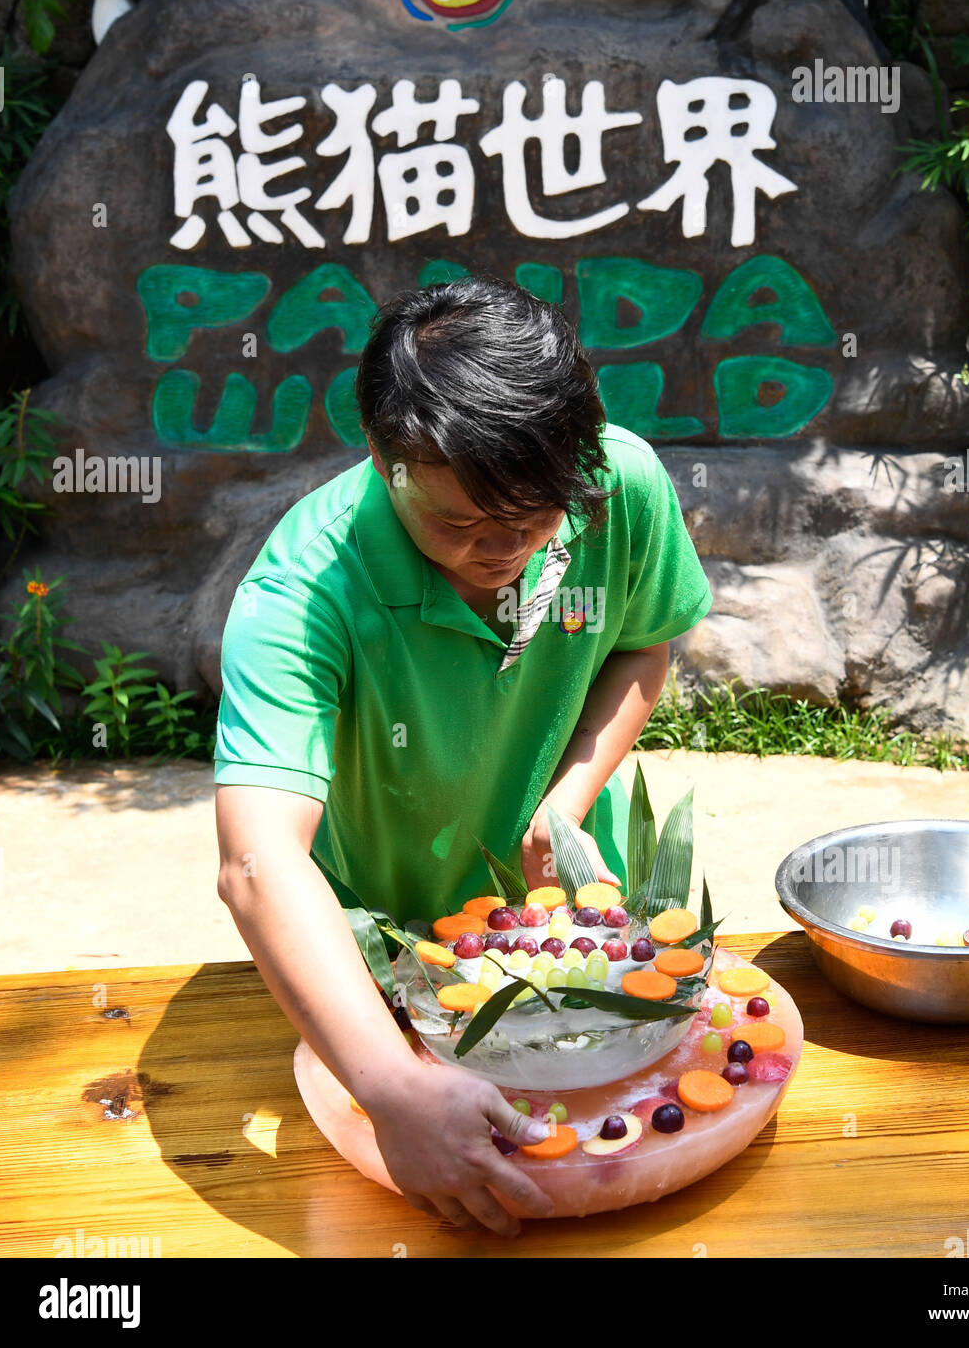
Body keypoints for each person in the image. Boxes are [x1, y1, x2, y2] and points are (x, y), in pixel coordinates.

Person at [213, 274, 713, 1235]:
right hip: (383, 971)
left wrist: (568, 801)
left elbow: (644, 644)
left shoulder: (621, 487)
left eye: (533, 521)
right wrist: (394, 1087)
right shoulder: (303, 591)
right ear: (380, 455)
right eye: (458, 524)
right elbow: (254, 862)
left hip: (574, 939)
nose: (505, 552)